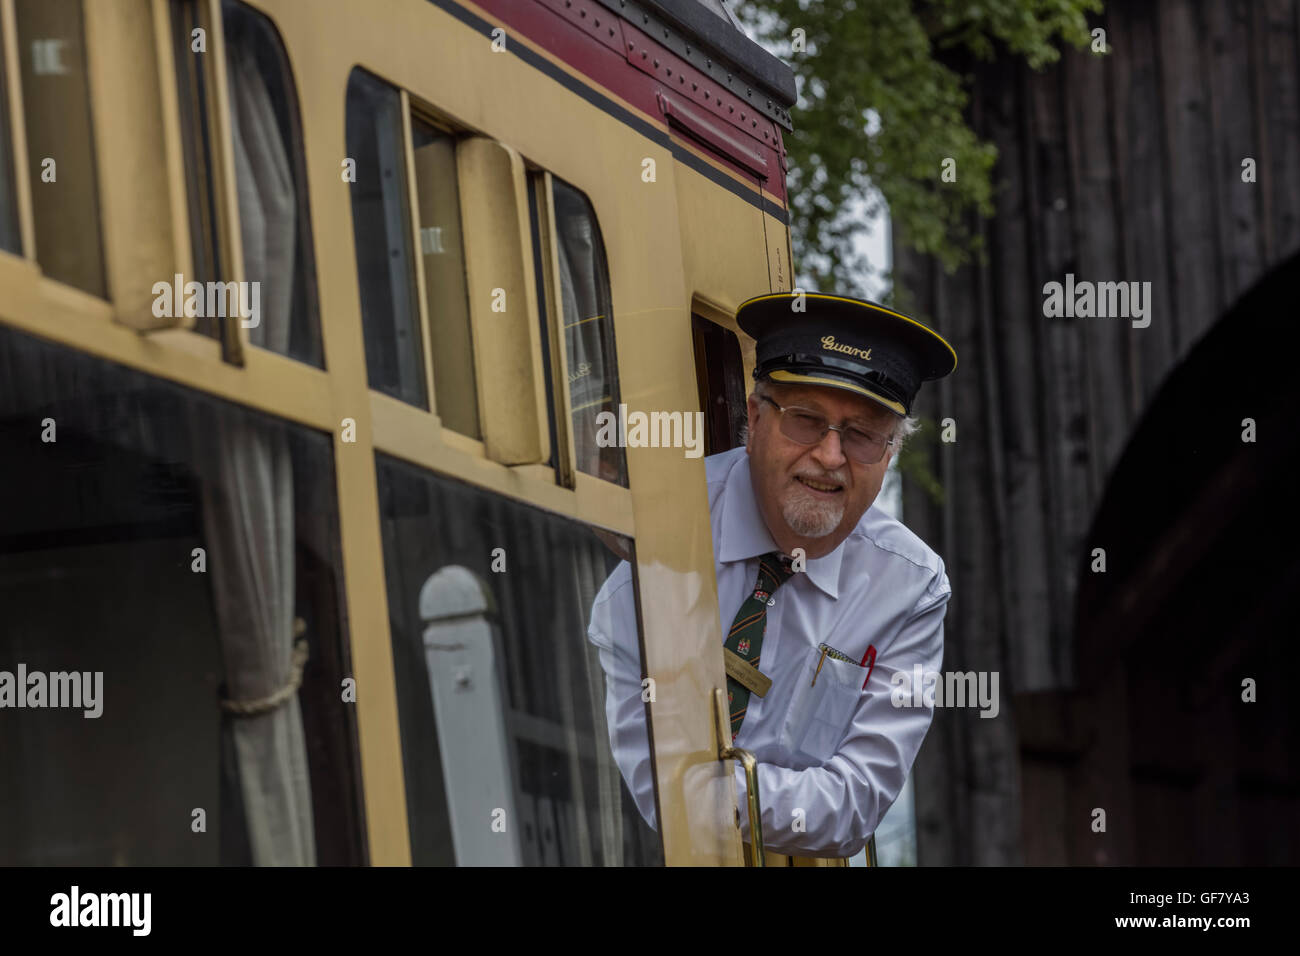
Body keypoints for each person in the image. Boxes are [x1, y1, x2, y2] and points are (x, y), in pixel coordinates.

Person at [587, 291, 957, 861]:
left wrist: (713, 790)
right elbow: (649, 791)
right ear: (755, 418)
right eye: (806, 421)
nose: (831, 456)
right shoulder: (651, 533)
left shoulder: (911, 587)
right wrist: (764, 800)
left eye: (861, 435)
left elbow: (858, 800)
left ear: (890, 454)